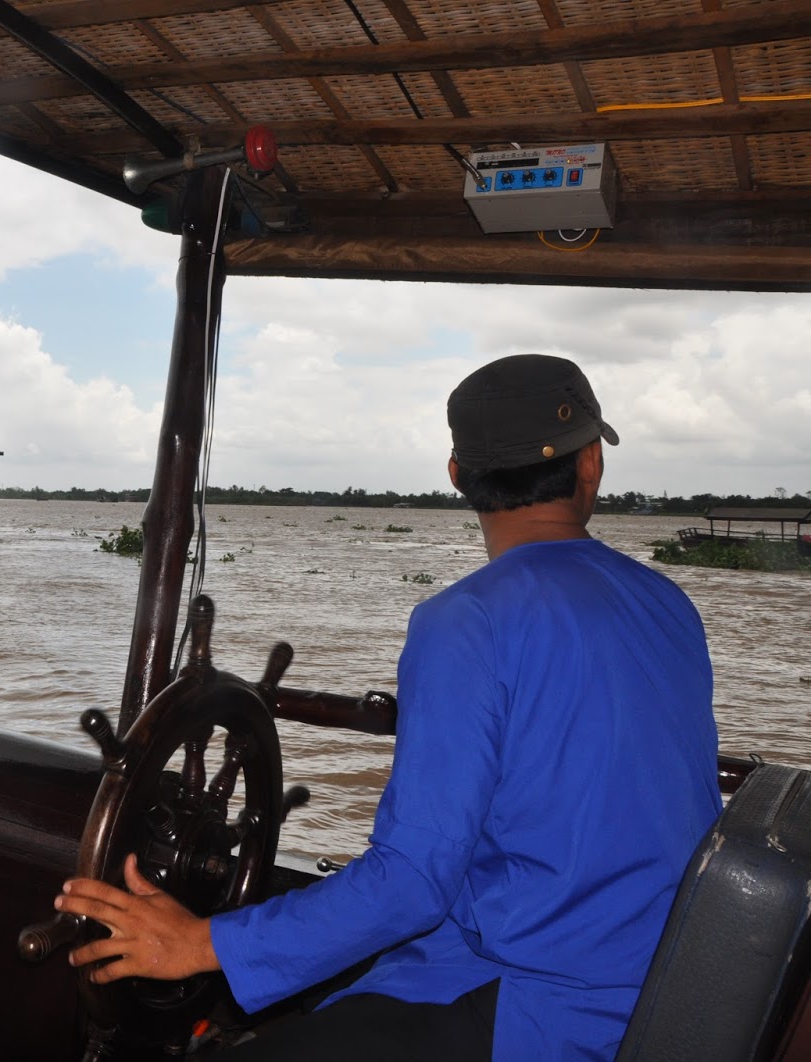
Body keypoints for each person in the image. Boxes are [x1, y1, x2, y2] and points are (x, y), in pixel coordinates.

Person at [55, 354, 721, 1061]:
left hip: (545, 1010)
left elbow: (413, 881)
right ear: (591, 464)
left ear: (459, 476)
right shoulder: (669, 606)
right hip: (675, 990)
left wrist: (200, 942)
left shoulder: (467, 623)